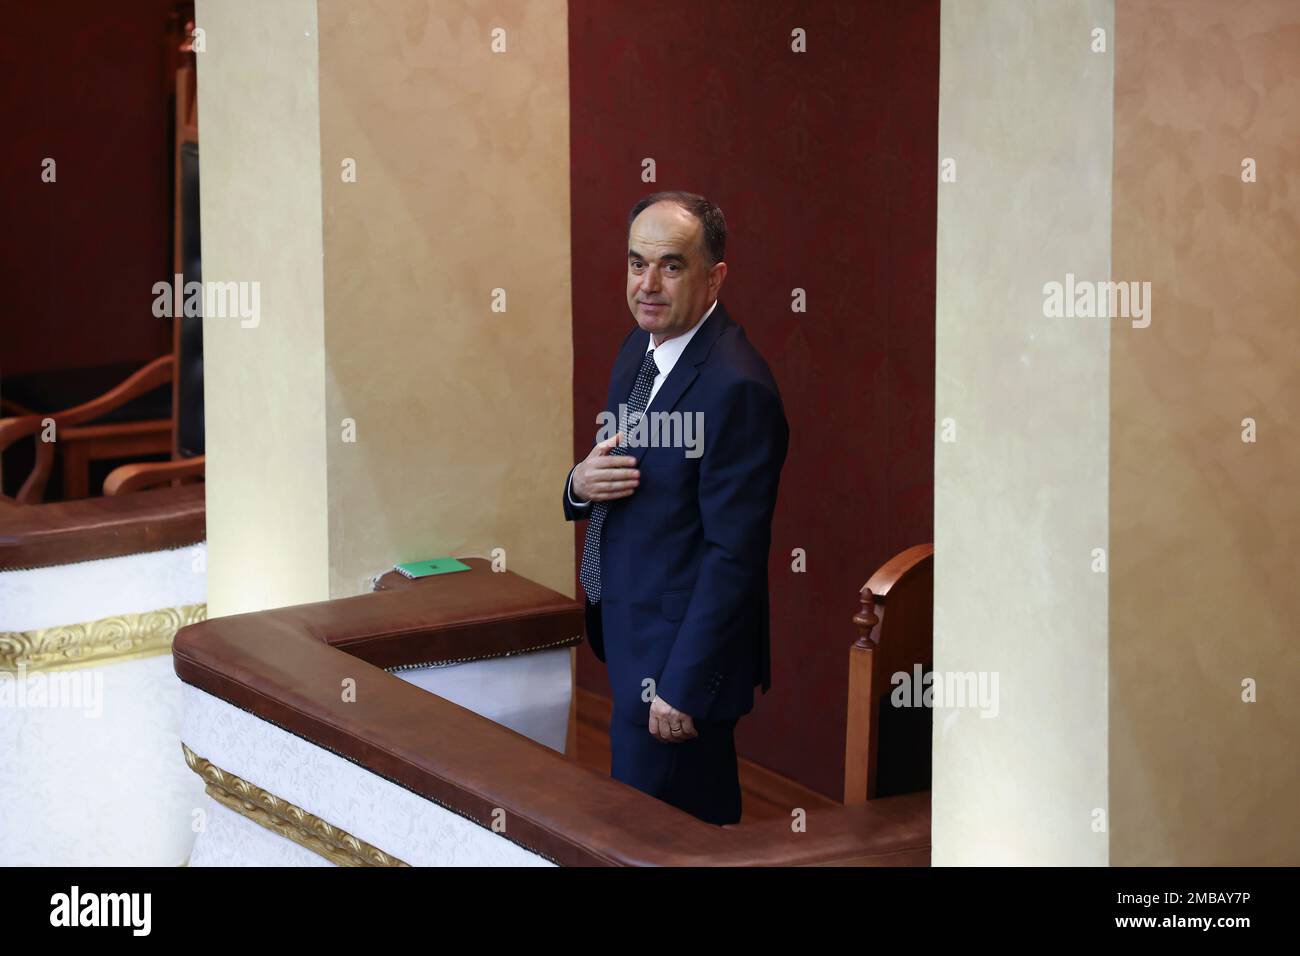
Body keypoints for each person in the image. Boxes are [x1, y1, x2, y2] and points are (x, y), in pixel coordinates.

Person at [563, 190, 788, 825]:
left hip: (676, 672)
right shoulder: (641, 350)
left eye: (672, 265)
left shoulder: (736, 387)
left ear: (715, 275)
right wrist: (578, 484)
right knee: (678, 829)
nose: (648, 285)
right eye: (637, 264)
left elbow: (733, 556)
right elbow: (617, 476)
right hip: (633, 639)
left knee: (661, 836)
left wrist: (682, 685)